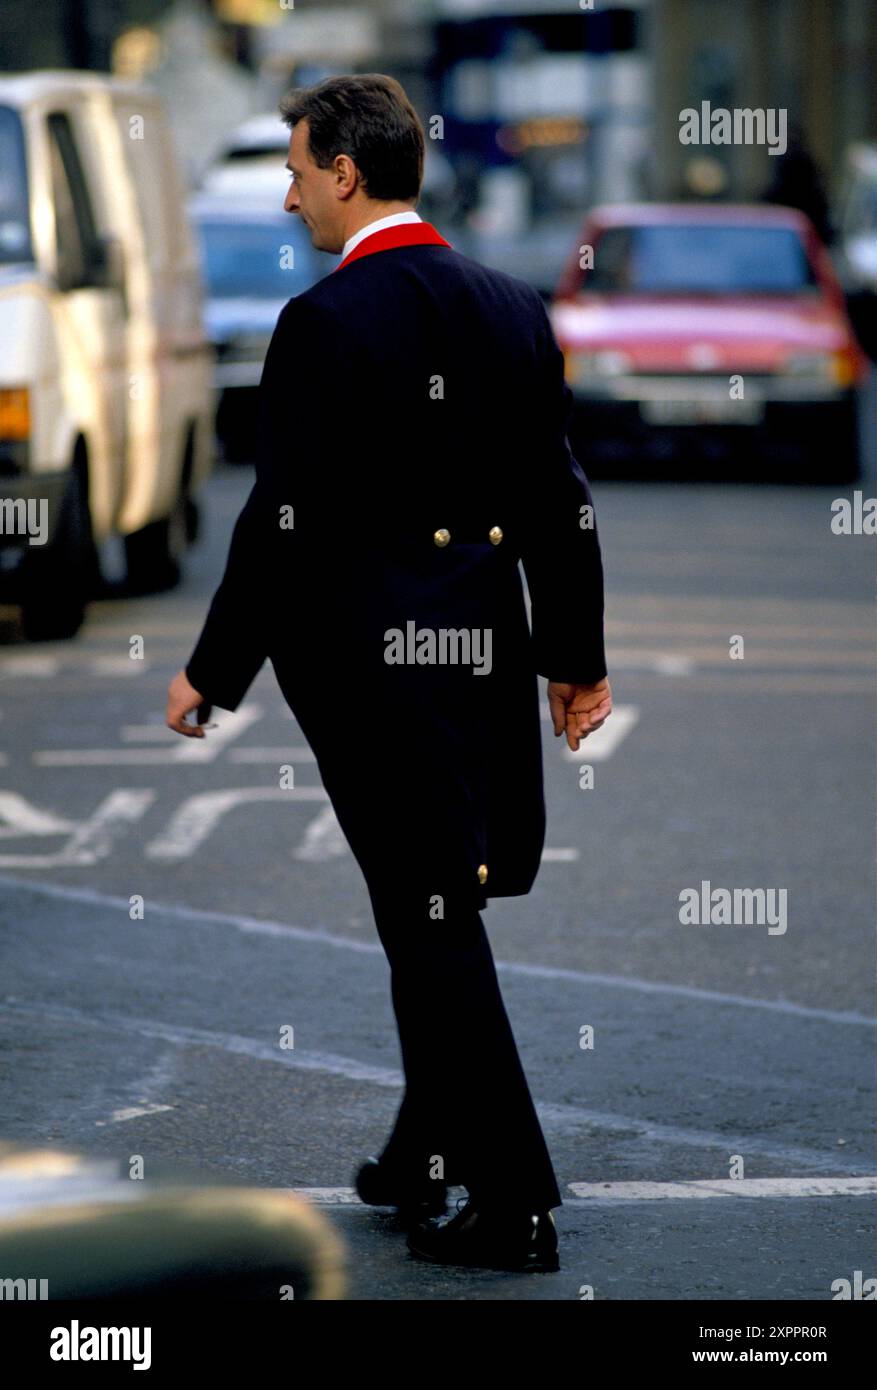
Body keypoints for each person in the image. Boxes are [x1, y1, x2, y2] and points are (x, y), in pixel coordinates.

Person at [166, 73, 612, 1274]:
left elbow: (281, 521)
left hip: (375, 676)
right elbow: (557, 508)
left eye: (302, 168)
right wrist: (574, 663)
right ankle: (425, 1153)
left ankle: (514, 1202)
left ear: (348, 174)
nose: (293, 190)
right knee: (427, 904)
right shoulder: (512, 307)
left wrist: (213, 670)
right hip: (474, 656)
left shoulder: (327, 324)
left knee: (432, 923)